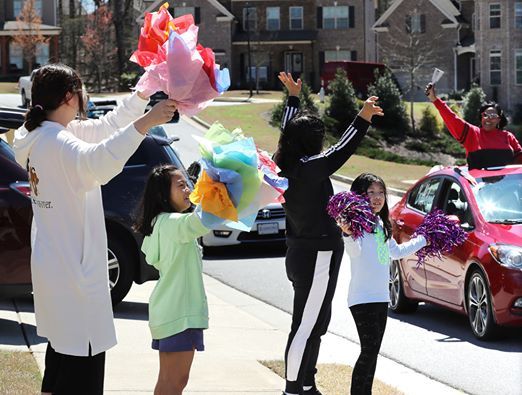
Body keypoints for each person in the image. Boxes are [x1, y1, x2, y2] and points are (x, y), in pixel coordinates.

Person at [13, 63, 177, 395]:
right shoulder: (57, 142)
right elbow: (99, 162)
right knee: (80, 366)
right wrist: (147, 123)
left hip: (54, 267)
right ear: (71, 96)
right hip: (76, 274)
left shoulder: (35, 135)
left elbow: (106, 128)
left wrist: (142, 93)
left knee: (60, 355)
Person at [274, 72, 383, 395]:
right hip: (317, 255)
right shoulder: (308, 169)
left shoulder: (285, 161)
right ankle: (294, 389)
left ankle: (306, 383)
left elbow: (285, 135)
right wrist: (362, 118)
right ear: (311, 142)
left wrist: (294, 99)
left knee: (315, 323)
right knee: (306, 326)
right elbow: (340, 150)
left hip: (302, 251)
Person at [341, 173, 427, 395]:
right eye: (371, 192)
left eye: (381, 193)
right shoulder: (356, 224)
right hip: (362, 298)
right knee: (368, 351)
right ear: (360, 195)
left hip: (381, 297)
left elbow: (396, 253)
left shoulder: (379, 223)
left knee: (373, 352)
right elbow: (354, 253)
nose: (378, 197)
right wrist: (347, 235)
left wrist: (426, 238)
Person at [133, 164, 210, 395]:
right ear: (163, 194)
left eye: (188, 184)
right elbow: (201, 222)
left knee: (168, 382)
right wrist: (220, 189)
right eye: (181, 186)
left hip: (169, 311)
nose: (188, 190)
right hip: (180, 314)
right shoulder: (174, 223)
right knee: (175, 383)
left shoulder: (160, 223)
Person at [425, 83, 522, 169]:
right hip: (479, 188)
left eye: (493, 116)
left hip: (506, 187)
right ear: (481, 117)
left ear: (499, 119)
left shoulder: (508, 136)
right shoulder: (473, 134)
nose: (488, 118)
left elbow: (520, 162)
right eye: (485, 115)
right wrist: (435, 99)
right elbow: (452, 118)